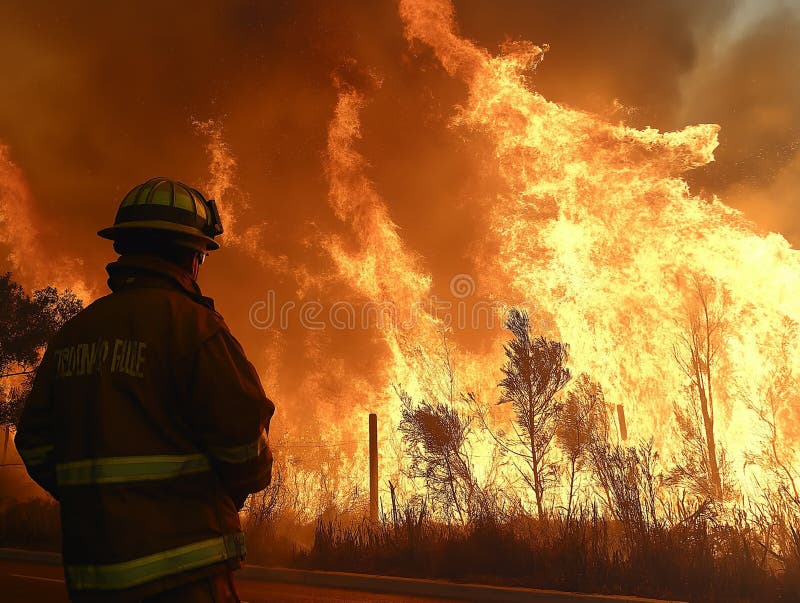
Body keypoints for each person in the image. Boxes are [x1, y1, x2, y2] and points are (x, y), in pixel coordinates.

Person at [15, 177, 275, 602]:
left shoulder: (73, 335)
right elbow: (247, 450)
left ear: (125, 248)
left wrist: (96, 498)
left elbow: (34, 443)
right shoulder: (194, 329)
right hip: (187, 575)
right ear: (192, 255)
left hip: (95, 577)